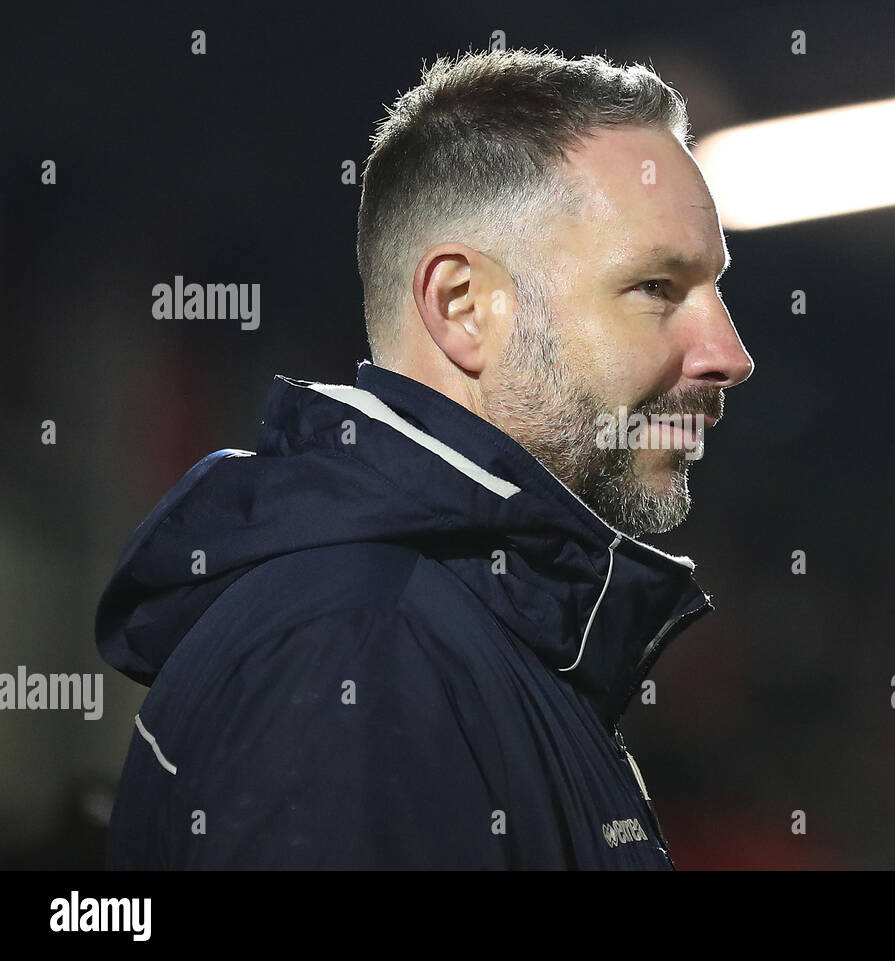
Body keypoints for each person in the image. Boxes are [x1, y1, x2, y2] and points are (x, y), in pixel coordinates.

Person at [95, 47, 754, 869]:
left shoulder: (446, 631)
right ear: (461, 306)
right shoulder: (359, 653)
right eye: (657, 287)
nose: (728, 351)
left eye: (715, 290)